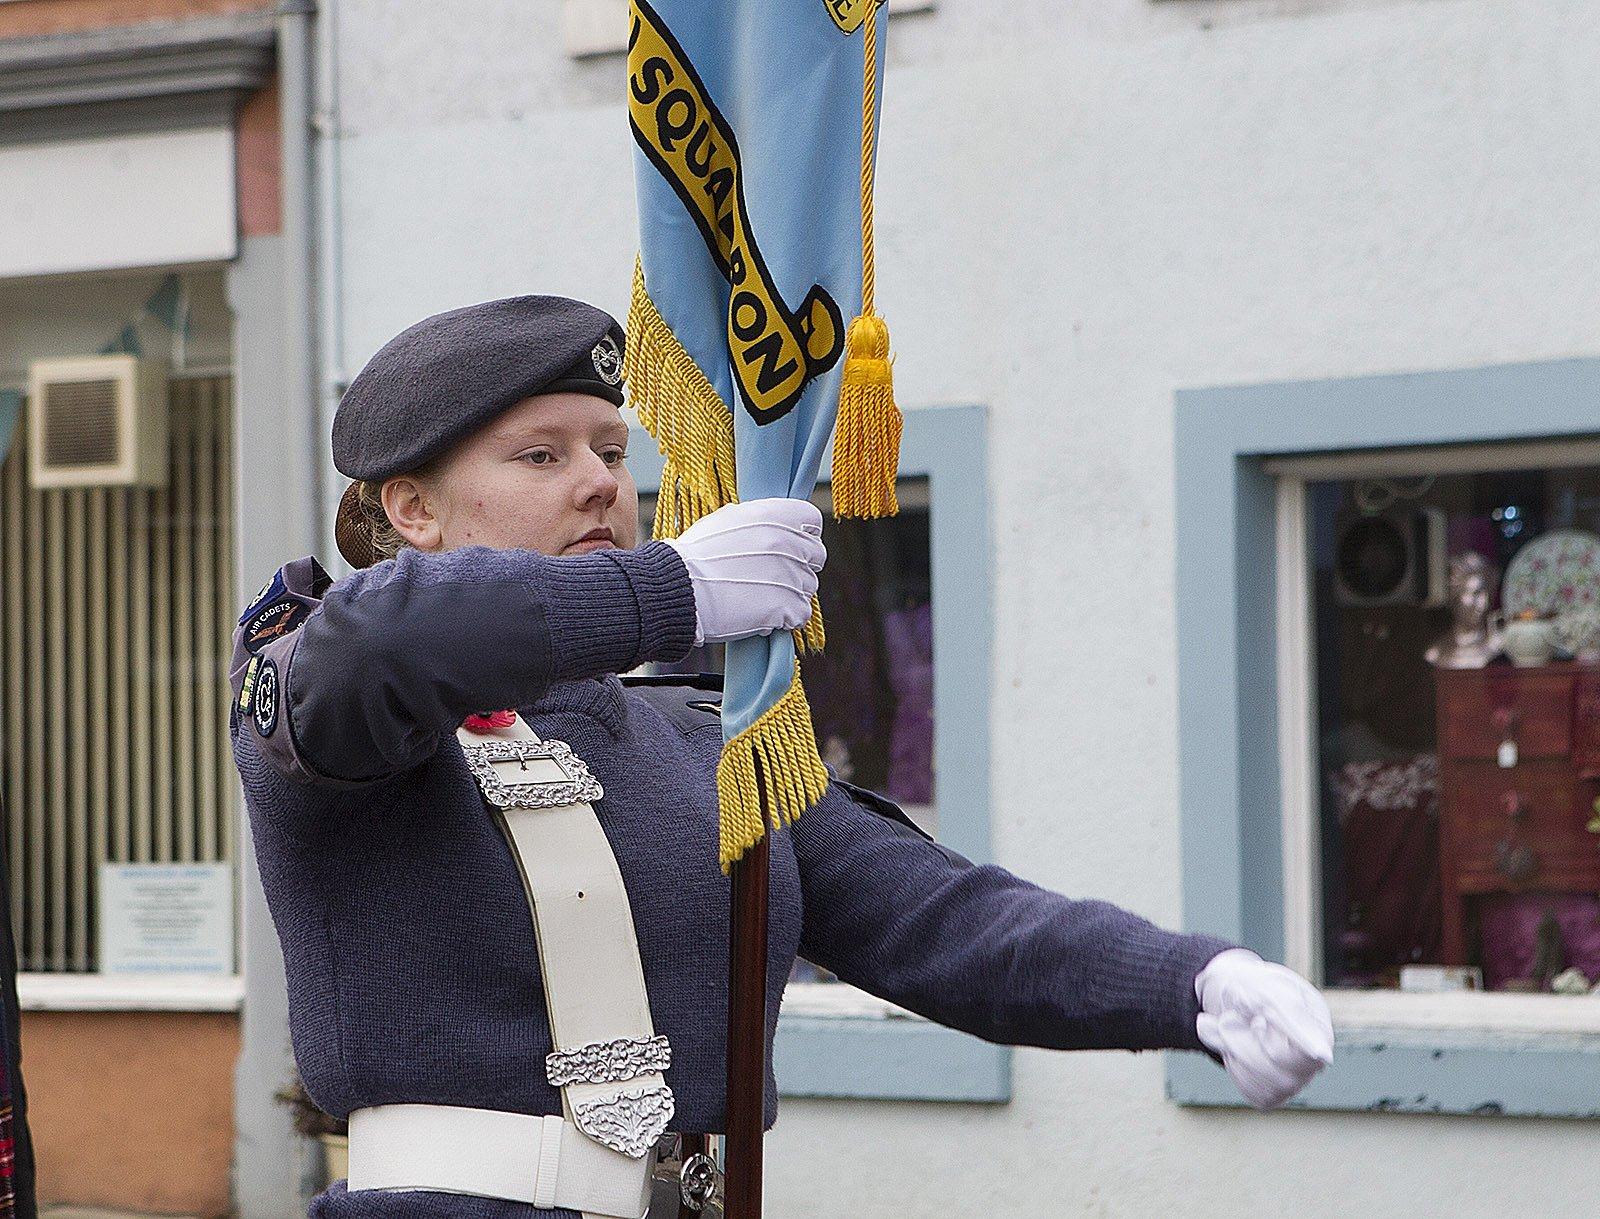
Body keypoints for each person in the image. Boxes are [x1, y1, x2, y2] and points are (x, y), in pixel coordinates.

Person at [229, 296, 1333, 1219]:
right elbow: (398, 636)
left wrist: (1186, 982)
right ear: (409, 507)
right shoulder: (328, 688)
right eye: (540, 454)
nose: (601, 481)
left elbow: (943, 922)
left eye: (612, 450)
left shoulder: (693, 738)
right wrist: (674, 591)